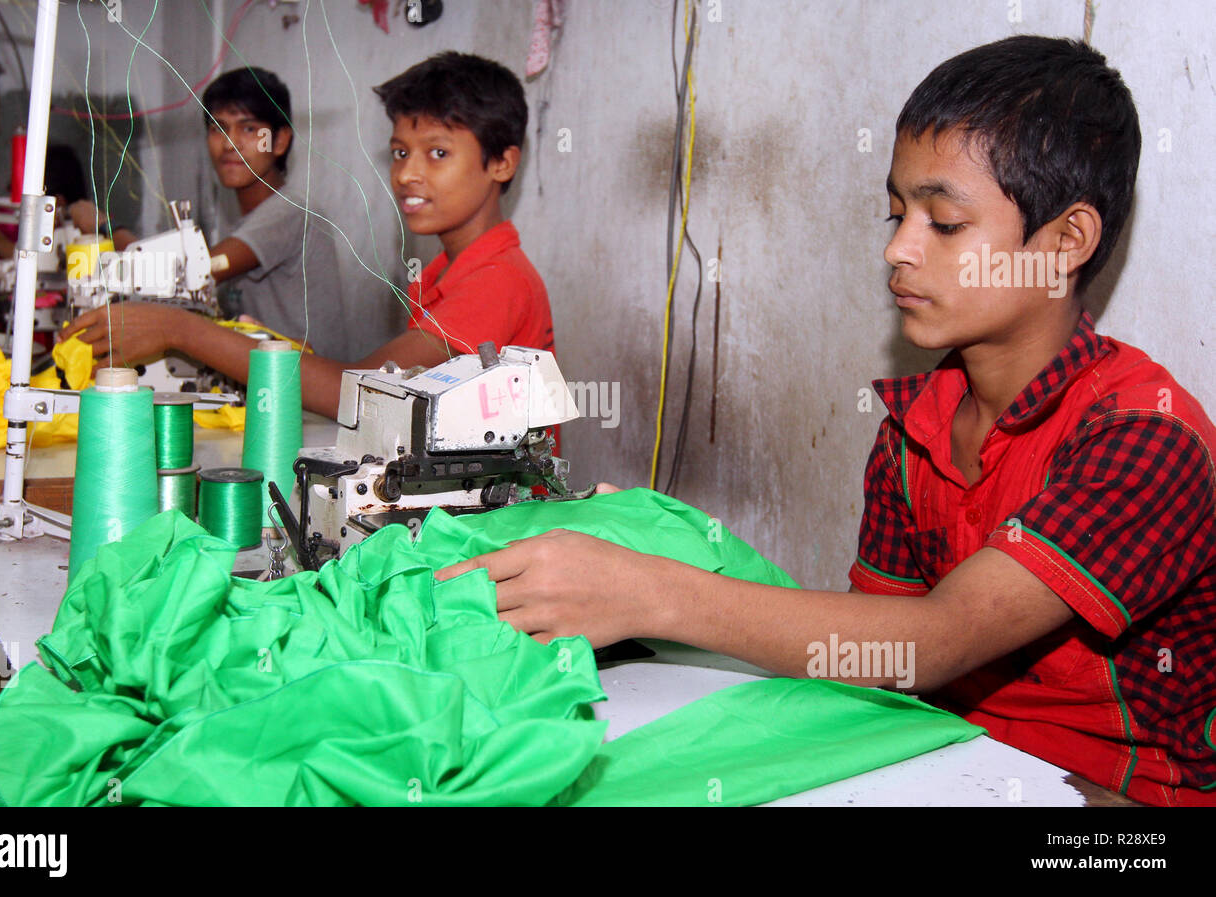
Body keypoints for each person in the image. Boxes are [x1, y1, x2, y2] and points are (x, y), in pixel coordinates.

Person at [437, 36, 1216, 807]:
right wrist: (662, 549)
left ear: (1066, 242)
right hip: (943, 757)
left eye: (944, 224)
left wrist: (653, 593)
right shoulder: (915, 428)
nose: (899, 250)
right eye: (895, 213)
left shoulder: (1145, 437)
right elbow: (877, 642)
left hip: (1121, 802)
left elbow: (937, 639)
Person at [61, 53, 552, 419]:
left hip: (494, 525)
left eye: (437, 153)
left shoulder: (496, 281)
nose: (406, 175)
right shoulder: (450, 271)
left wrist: (178, 329)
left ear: (502, 162)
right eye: (400, 153)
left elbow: (360, 393)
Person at [64, 66, 349, 358]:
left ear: (279, 141)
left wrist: (105, 225)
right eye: (218, 128)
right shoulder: (242, 219)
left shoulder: (290, 212)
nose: (229, 144)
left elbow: (186, 275)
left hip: (304, 392)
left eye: (249, 129)